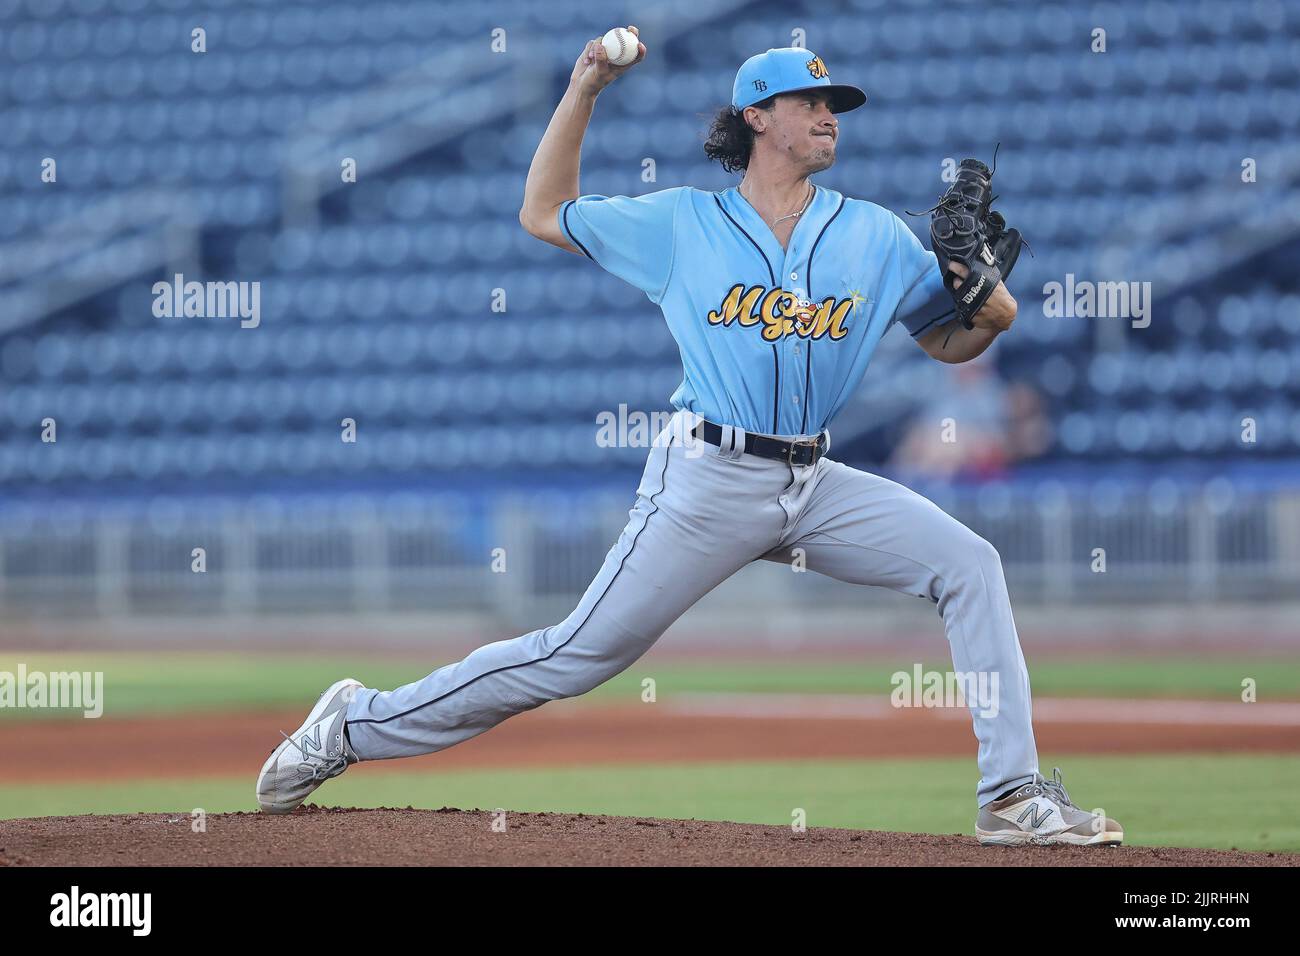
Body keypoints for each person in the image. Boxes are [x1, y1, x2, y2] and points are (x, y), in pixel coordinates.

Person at [257, 31, 1122, 847]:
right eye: (808, 100)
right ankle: (353, 721)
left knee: (970, 563)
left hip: (814, 482)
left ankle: (1013, 795)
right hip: (707, 477)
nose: (829, 115)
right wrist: (584, 86)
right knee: (572, 658)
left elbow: (951, 339)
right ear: (756, 117)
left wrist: (991, 300)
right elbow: (543, 209)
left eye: (835, 104)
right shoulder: (681, 223)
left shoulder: (876, 235)